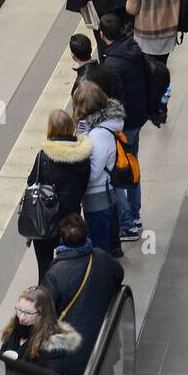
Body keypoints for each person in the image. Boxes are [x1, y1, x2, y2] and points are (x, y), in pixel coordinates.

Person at [42, 214, 124, 374]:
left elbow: (46, 314)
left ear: (62, 239)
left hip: (73, 350)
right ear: (86, 235)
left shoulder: (54, 274)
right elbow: (119, 275)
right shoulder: (102, 257)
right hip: (103, 337)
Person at [24, 110, 92, 279]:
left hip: (46, 221)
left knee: (45, 269)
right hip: (72, 222)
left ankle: (46, 299)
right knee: (72, 268)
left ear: (51, 129)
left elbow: (32, 182)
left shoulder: (44, 156)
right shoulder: (83, 156)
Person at [99, 12, 148, 240]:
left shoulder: (111, 64)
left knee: (118, 173)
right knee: (132, 166)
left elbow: (117, 99)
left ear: (101, 35)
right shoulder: (132, 48)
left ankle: (128, 225)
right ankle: (135, 215)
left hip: (124, 124)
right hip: (138, 118)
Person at [72, 81, 123, 253]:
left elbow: (93, 173)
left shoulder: (98, 134)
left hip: (98, 197)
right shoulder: (97, 128)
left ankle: (105, 279)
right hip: (104, 193)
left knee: (100, 250)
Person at [0, 286, 81, 372]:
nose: (21, 318)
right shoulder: (14, 329)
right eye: (20, 310)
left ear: (42, 314)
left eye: (28, 313)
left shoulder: (53, 347)